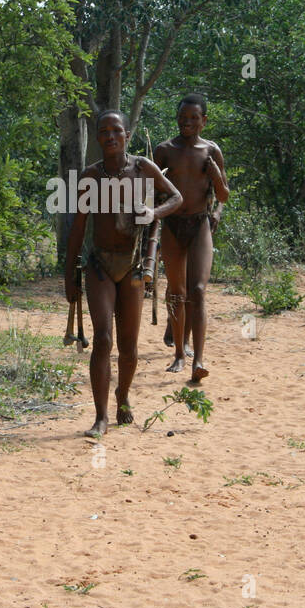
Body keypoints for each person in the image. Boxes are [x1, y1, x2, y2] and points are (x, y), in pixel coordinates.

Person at [65, 110, 183, 437]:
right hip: (100, 265)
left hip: (133, 264)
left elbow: (176, 197)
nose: (110, 137)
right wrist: (68, 275)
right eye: (104, 132)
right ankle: (101, 416)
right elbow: (78, 228)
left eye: (116, 131)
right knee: (103, 339)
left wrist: (152, 212)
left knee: (129, 347)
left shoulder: (142, 168)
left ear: (127, 136)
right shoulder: (90, 175)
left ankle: (123, 397)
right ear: (99, 137)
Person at [154, 93, 229, 382]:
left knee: (197, 290)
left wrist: (215, 176)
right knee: (176, 291)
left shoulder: (211, 151)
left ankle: (199, 358)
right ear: (177, 118)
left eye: (194, 118)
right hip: (173, 225)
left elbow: (223, 195)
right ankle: (179, 355)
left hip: (199, 225)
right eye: (183, 117)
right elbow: (150, 185)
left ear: (204, 121)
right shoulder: (164, 150)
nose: (187, 123)